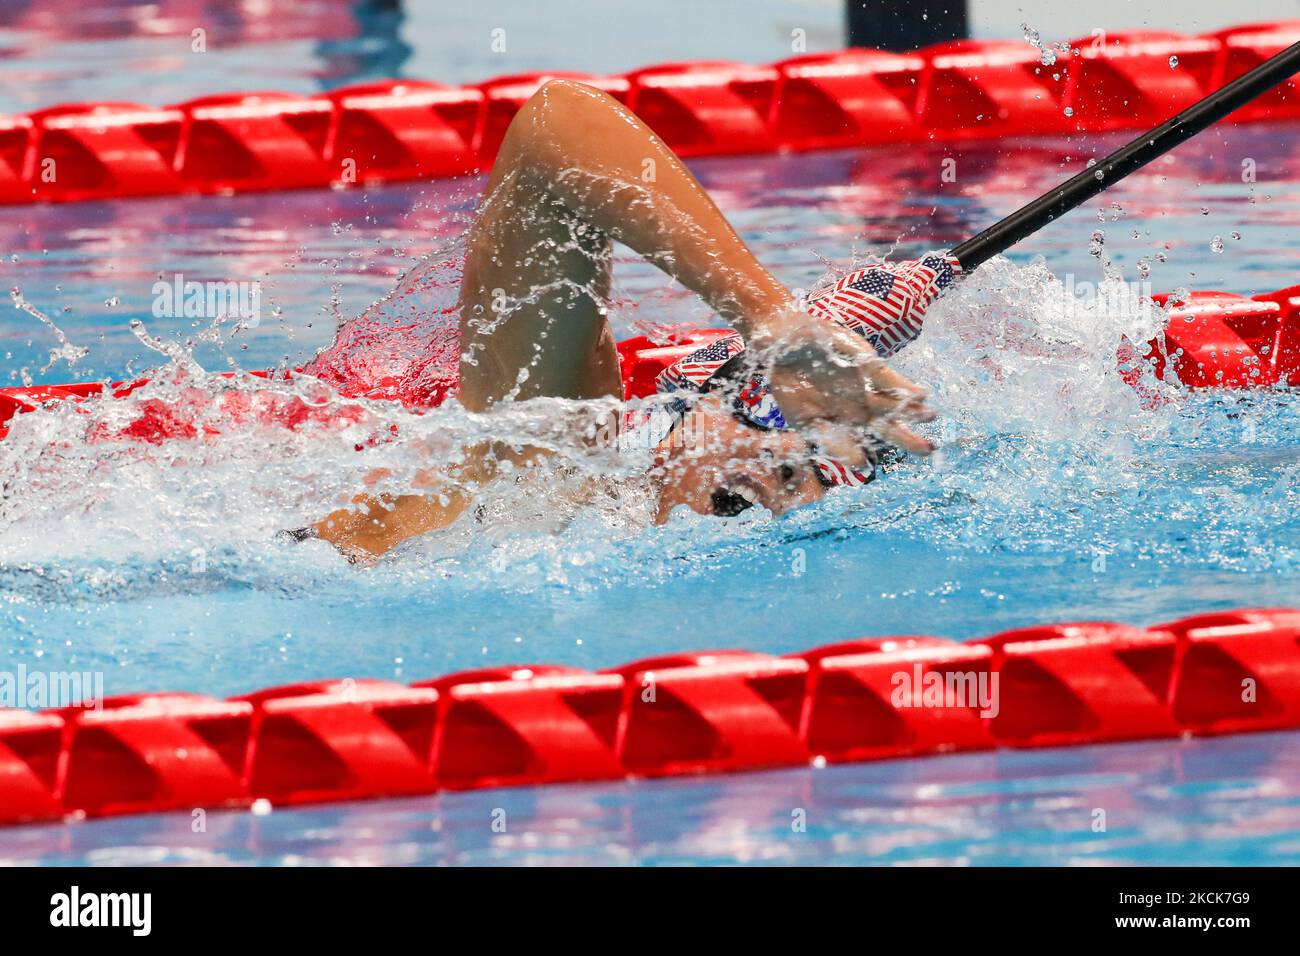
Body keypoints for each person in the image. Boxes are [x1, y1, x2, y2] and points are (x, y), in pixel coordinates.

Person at [299, 80, 959, 560]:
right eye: (774, 442)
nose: (762, 469)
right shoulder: (554, 460)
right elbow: (550, 126)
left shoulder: (613, 541)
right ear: (710, 408)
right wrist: (775, 322)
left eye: (783, 488)